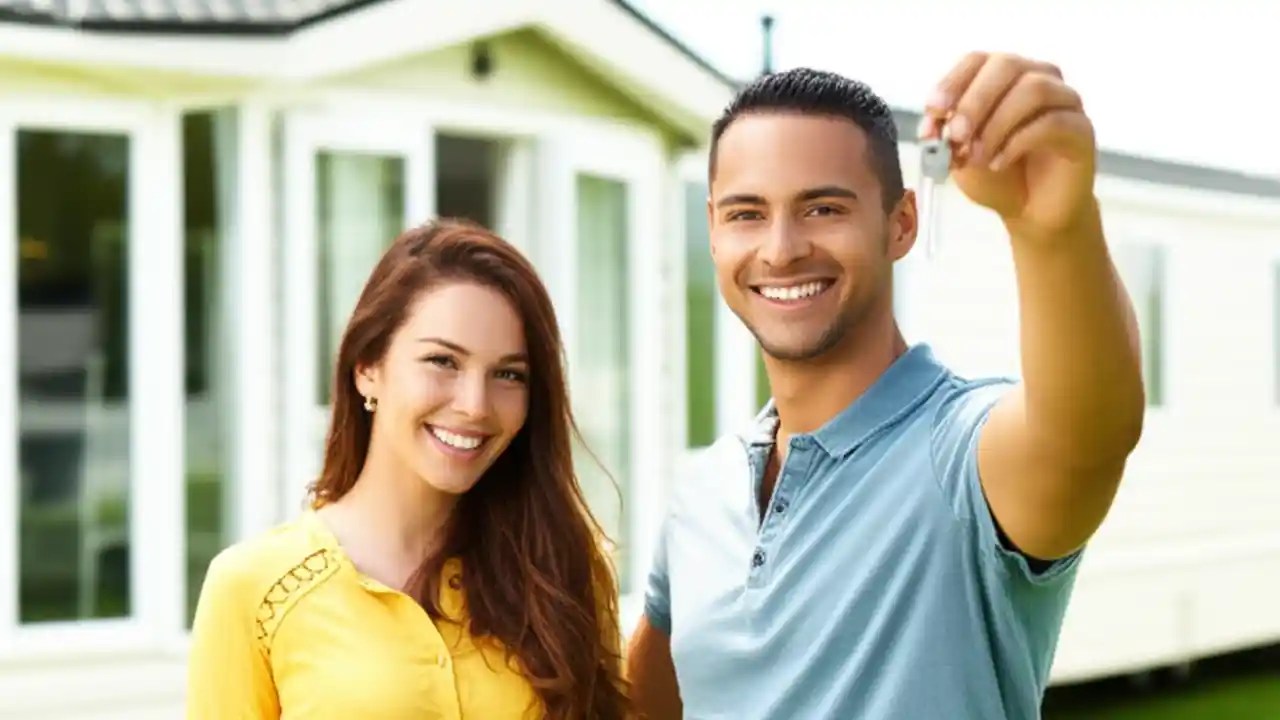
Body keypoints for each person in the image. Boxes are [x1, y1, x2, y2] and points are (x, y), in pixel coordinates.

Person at [628, 53, 1146, 719]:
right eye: (746, 213)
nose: (781, 248)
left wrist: (1052, 228)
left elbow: (1088, 434)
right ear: (713, 232)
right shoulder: (704, 493)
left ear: (901, 223)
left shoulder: (962, 459)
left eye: (822, 208)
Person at [186, 219, 630, 719]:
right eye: (443, 361)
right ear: (367, 367)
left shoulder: (562, 569)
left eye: (508, 374)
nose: (475, 405)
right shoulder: (253, 588)